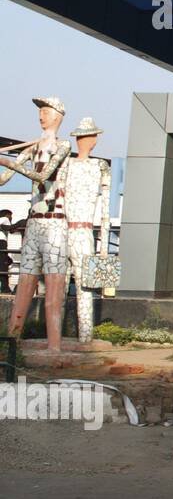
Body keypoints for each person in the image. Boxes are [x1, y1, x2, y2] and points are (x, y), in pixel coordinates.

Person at [0, 96, 73, 351]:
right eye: (40, 111)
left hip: (55, 223)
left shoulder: (63, 146)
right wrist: (9, 162)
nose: (41, 115)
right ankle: (11, 344)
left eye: (45, 110)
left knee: (54, 292)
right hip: (34, 223)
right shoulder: (30, 149)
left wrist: (7, 160)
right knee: (23, 289)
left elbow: (43, 175)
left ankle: (54, 348)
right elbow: (3, 180)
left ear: (57, 115)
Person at [61, 117, 113, 344]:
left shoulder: (100, 165)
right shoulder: (66, 165)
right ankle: (57, 336)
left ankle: (85, 336)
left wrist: (103, 242)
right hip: (66, 229)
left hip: (83, 231)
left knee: (84, 285)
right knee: (59, 285)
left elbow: (105, 207)